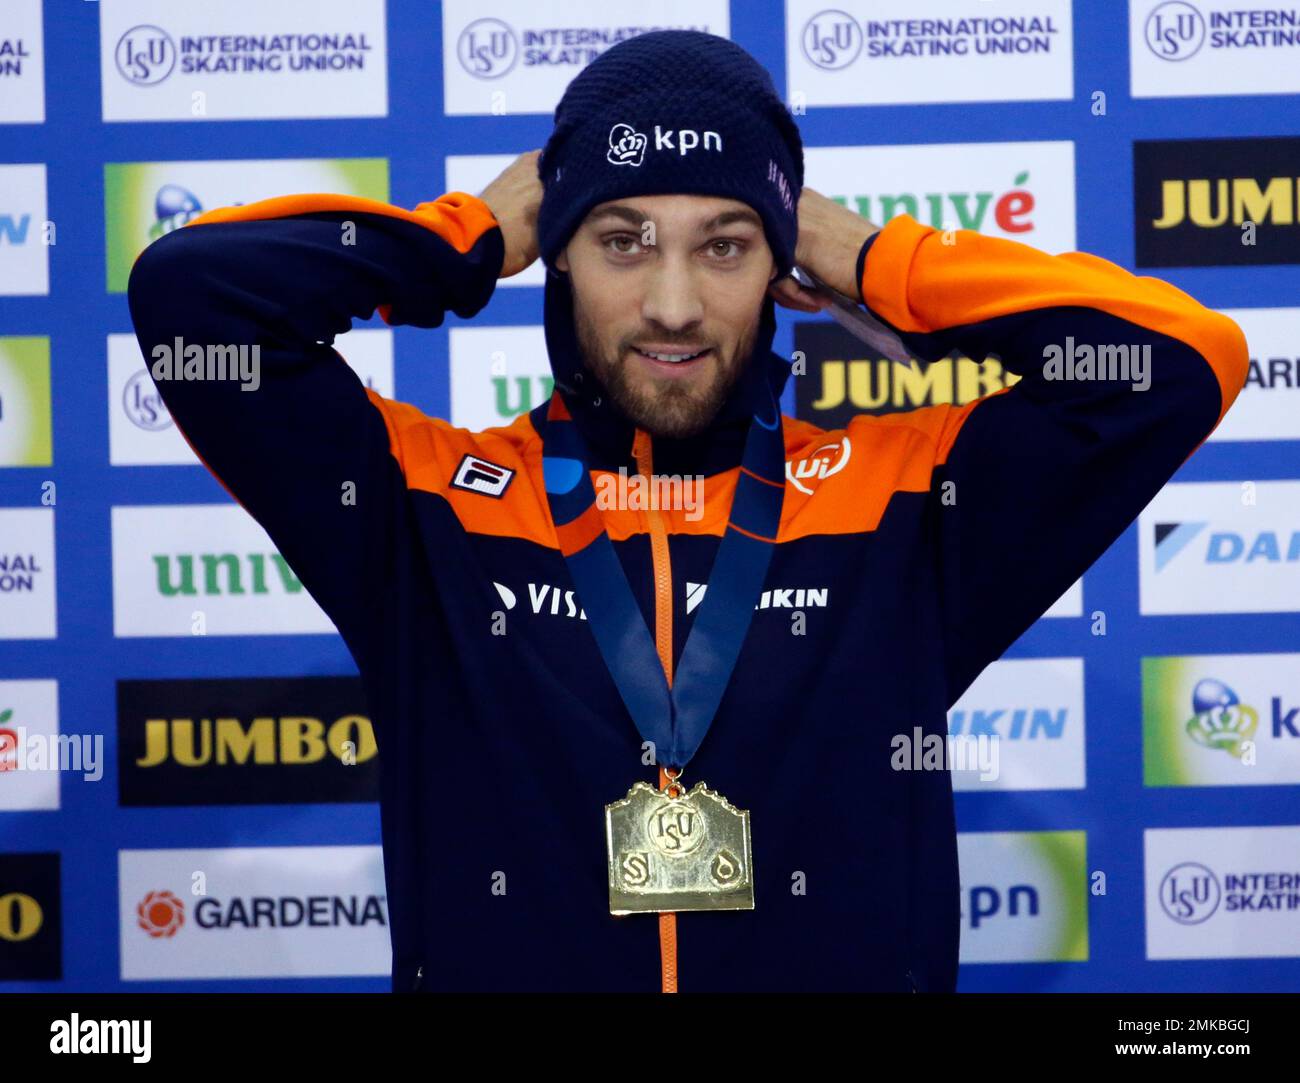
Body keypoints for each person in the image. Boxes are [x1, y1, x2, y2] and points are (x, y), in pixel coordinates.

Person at [126, 29, 1248, 993]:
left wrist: (866, 254)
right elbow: (194, 296)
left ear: (780, 265)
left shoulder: (908, 502)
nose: (672, 304)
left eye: (725, 244)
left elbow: (1181, 361)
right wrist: (471, 234)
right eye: (620, 241)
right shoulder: (420, 507)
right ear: (556, 258)